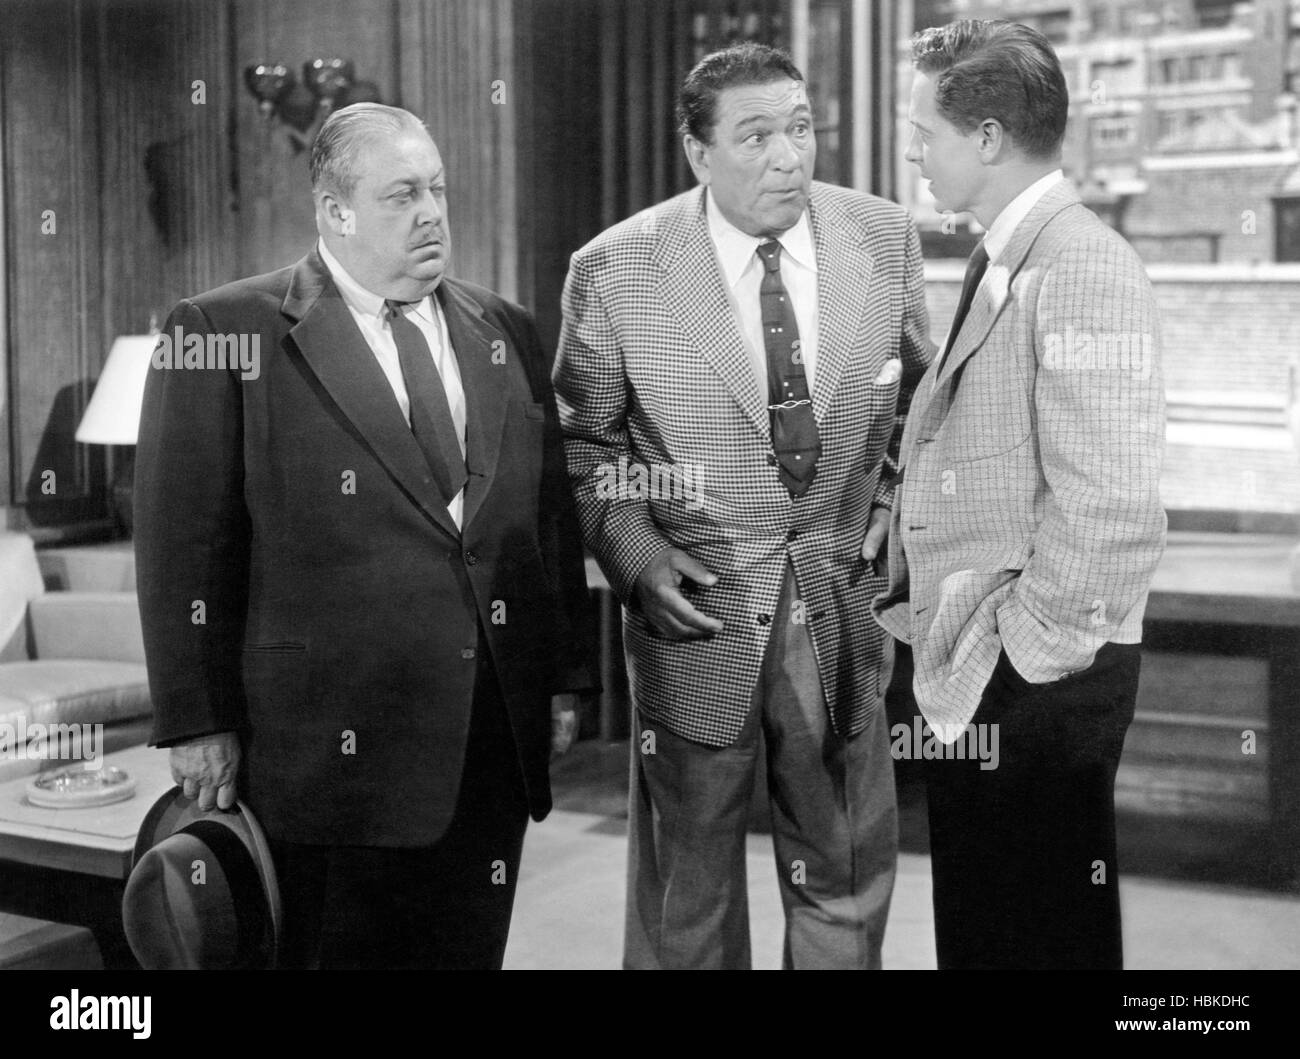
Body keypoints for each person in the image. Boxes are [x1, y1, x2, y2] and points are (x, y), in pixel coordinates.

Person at [134, 102, 598, 970]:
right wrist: (196, 719)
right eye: (402, 195)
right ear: (334, 213)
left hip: (484, 742)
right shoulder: (225, 331)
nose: (432, 213)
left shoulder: (506, 328)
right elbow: (181, 546)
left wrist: (562, 675)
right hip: (325, 757)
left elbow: (545, 517)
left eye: (438, 190)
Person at [554, 42, 932, 970]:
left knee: (844, 878)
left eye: (799, 129)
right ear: (697, 151)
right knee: (688, 900)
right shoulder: (616, 269)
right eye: (756, 136)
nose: (787, 157)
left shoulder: (884, 238)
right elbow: (587, 439)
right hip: (698, 617)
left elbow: (922, 407)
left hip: (840, 605)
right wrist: (636, 555)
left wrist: (891, 507)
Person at [873, 19, 1167, 969]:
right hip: (989, 677)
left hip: (1034, 679)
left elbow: (1111, 506)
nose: (914, 149)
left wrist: (1021, 653)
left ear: (989, 137)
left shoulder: (1077, 263)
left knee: (1041, 937)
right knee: (993, 930)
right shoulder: (1009, 254)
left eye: (926, 129)